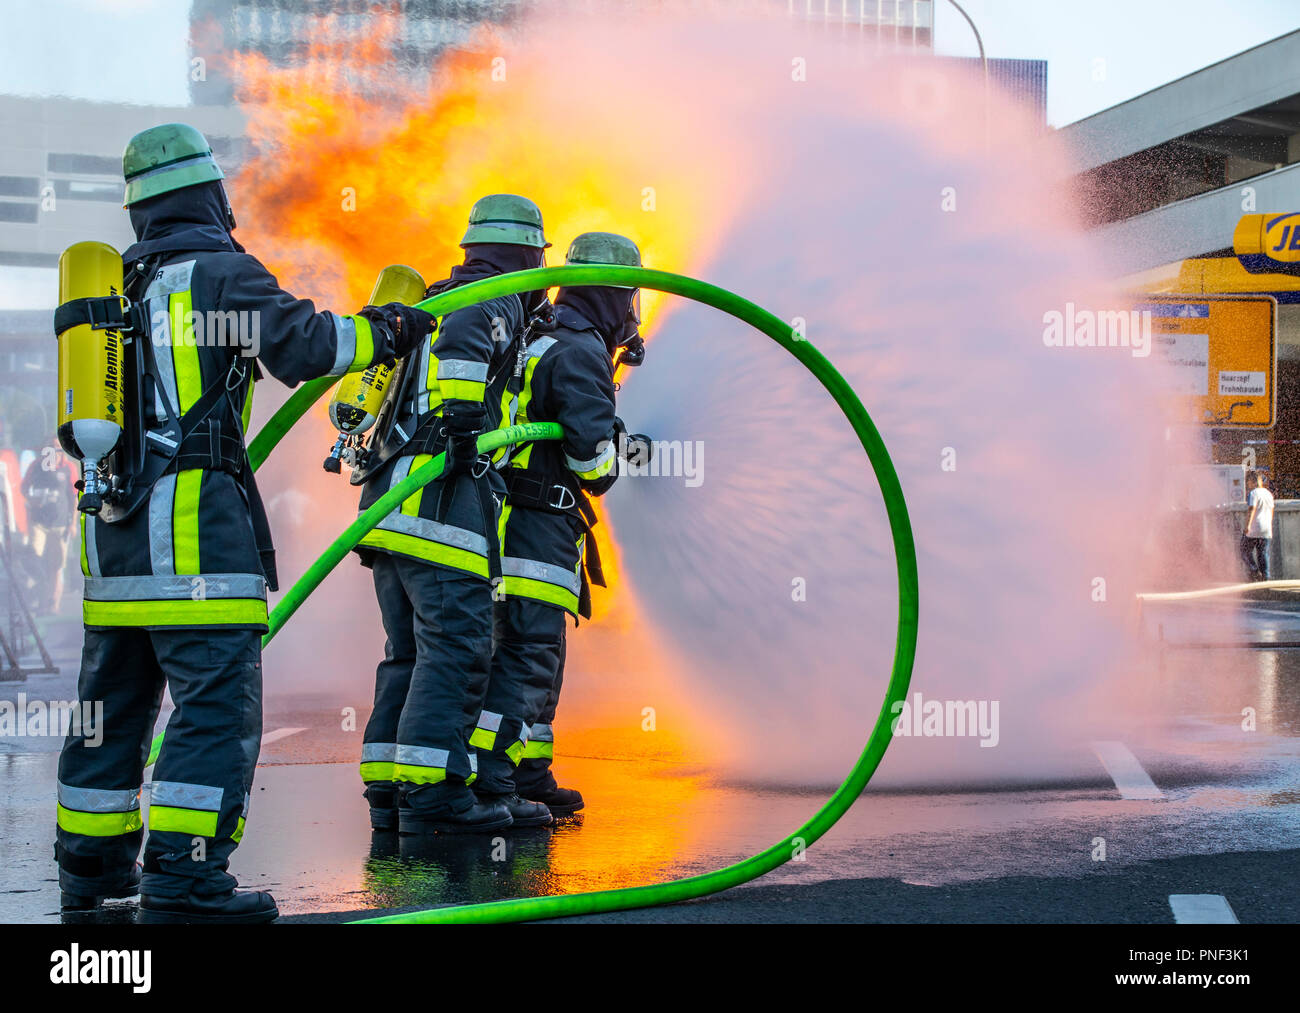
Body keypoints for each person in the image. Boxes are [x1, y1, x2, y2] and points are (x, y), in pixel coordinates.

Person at [54, 123, 427, 923]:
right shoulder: (219, 272)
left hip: (113, 549)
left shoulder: (112, 287)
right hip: (193, 543)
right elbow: (310, 345)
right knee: (214, 711)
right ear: (210, 197)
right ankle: (185, 883)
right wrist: (386, 331)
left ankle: (91, 876)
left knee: (109, 715)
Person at [355, 195, 555, 834]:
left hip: (391, 507)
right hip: (440, 506)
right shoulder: (489, 298)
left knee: (407, 654)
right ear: (527, 256)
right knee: (457, 650)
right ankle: (435, 794)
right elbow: (469, 345)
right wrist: (468, 416)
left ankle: (389, 791)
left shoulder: (426, 303)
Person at [472, 232, 650, 817]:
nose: (632, 314)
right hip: (537, 526)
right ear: (611, 298)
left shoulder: (542, 334)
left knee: (532, 653)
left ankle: (528, 772)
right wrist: (617, 445)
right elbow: (593, 467)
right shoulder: (578, 352)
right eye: (629, 299)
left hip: (512, 521)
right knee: (527, 655)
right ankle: (496, 780)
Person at [21, 451, 76, 614]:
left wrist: (72, 523)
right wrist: (32, 500)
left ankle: (53, 604)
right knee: (33, 558)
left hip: (59, 524)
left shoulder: (68, 467)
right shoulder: (36, 465)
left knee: (57, 565)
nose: (54, 453)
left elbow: (74, 496)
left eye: (58, 449)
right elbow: (24, 488)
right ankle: (37, 600)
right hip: (38, 523)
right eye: (50, 448)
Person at [1242, 470, 1274, 581]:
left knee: (1244, 551)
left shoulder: (1253, 493)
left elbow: (1252, 509)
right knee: (1263, 553)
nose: (1247, 484)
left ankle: (1254, 571)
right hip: (1266, 529)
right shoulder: (1268, 494)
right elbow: (1271, 511)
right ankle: (1266, 577)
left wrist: (1247, 526)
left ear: (1252, 481)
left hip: (1254, 528)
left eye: (1248, 482)